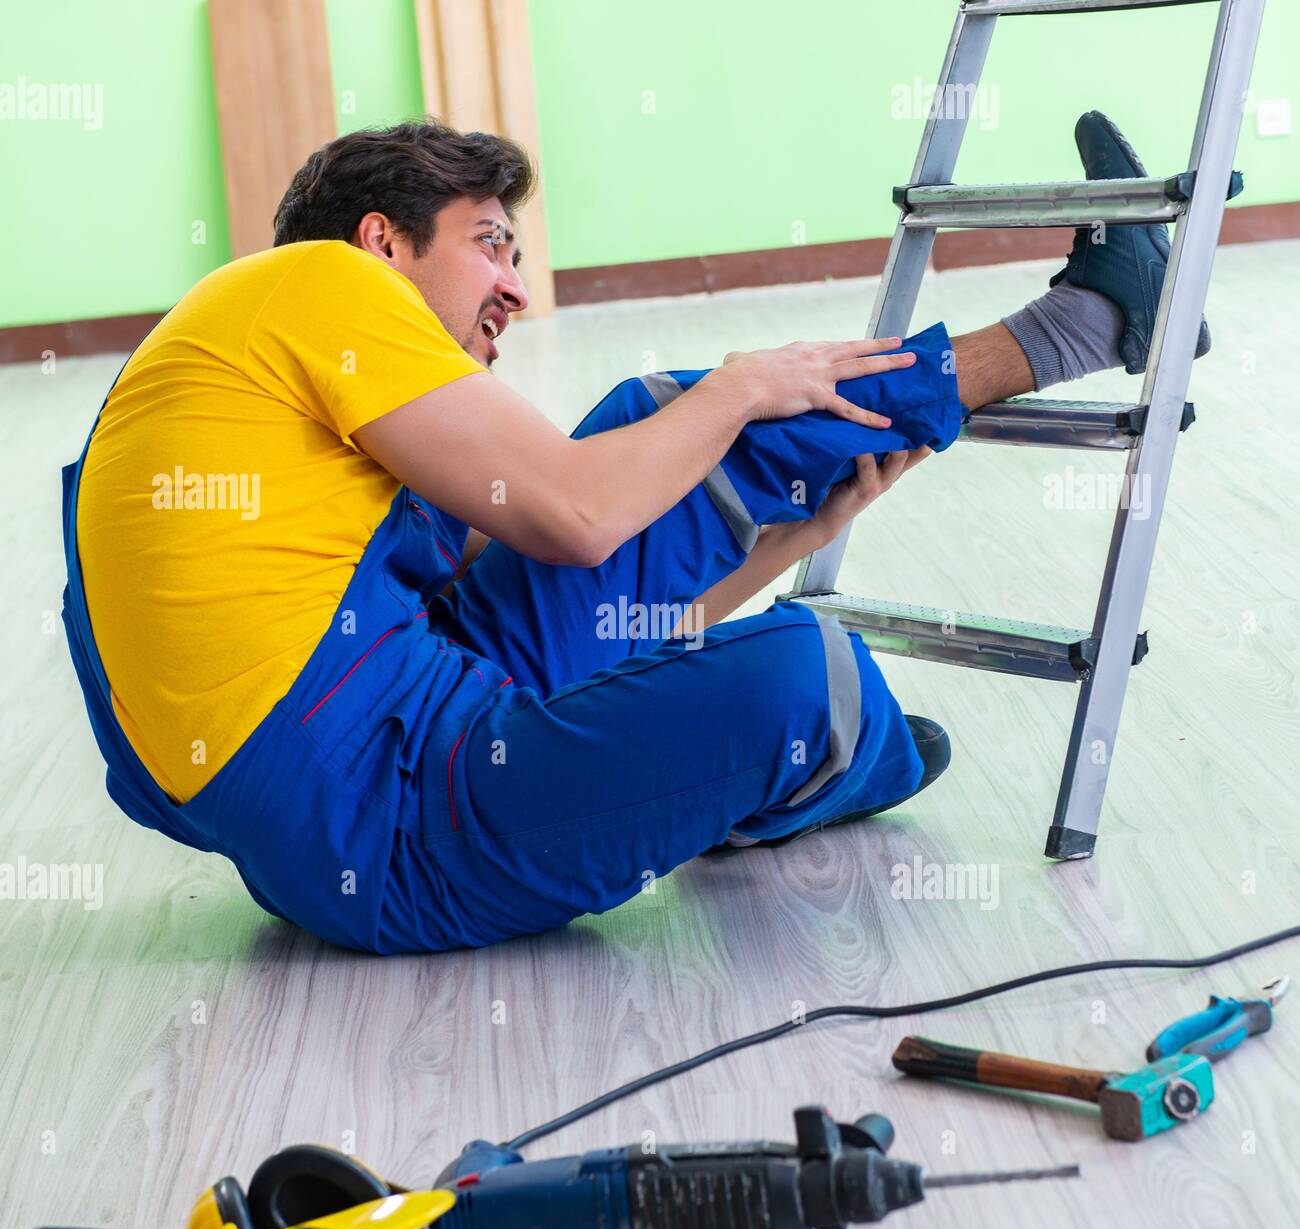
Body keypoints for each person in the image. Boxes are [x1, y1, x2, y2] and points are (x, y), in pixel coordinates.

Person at [62, 111, 1205, 953]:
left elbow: (598, 593)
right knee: (803, 671)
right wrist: (747, 385)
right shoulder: (318, 285)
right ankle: (789, 768)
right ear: (381, 243)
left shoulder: (266, 408)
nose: (513, 288)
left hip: (384, 742)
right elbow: (574, 519)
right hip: (393, 817)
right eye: (488, 243)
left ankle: (1085, 320)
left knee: (651, 431)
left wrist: (784, 547)